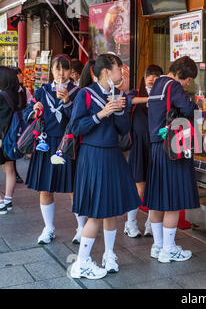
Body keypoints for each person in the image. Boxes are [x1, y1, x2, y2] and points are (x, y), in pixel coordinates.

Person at [69, 54, 141, 279]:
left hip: (113, 154)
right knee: (96, 213)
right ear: (107, 72)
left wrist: (119, 110)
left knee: (112, 210)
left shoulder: (118, 95)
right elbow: (76, 127)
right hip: (93, 155)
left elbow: (121, 129)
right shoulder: (85, 94)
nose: (122, 72)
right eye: (120, 68)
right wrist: (102, 114)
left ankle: (109, 254)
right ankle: (81, 263)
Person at [143, 56, 199, 263]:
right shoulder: (173, 86)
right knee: (173, 201)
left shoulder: (157, 83)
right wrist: (196, 105)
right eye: (188, 79)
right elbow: (187, 109)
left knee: (157, 200)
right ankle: (168, 249)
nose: (187, 83)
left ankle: (158, 246)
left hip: (157, 147)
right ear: (181, 74)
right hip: (171, 149)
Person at [22, 54, 80, 244]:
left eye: (65, 69)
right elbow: (26, 114)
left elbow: (78, 119)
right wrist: (34, 110)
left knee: (73, 187)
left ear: (71, 71)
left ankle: (81, 228)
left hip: (68, 143)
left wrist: (67, 102)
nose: (61, 73)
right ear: (51, 71)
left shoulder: (78, 92)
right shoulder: (42, 91)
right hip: (45, 145)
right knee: (45, 189)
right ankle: (48, 227)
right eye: (57, 69)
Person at [124, 64, 163, 238]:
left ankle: (150, 222)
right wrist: (150, 99)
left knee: (154, 185)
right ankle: (130, 222)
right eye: (149, 74)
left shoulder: (164, 96)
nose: (151, 77)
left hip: (156, 145)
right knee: (138, 186)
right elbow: (129, 101)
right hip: (139, 145)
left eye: (155, 75)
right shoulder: (136, 93)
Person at [0, 66, 27, 214]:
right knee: (10, 170)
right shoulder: (20, 94)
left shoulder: (1, 96)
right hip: (12, 139)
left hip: (1, 138)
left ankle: (0, 202)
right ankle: (8, 200)